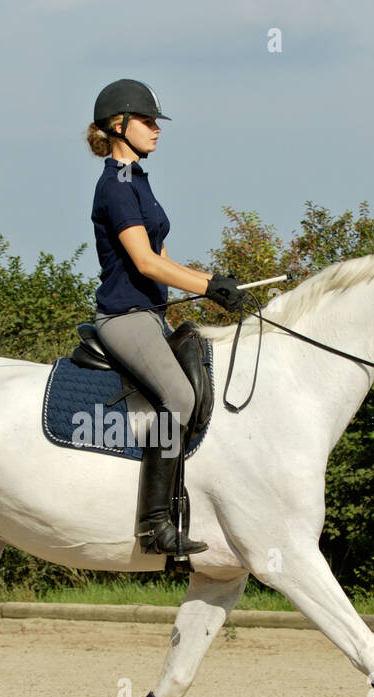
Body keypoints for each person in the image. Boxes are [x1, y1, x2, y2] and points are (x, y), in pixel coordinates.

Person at [86, 78, 247, 557]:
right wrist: (207, 286)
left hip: (150, 313)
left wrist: (210, 282)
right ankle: (153, 524)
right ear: (119, 125)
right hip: (124, 317)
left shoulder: (138, 182)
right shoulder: (115, 187)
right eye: (148, 121)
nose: (157, 130)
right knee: (177, 393)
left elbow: (165, 258)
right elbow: (145, 263)